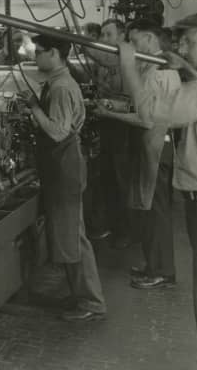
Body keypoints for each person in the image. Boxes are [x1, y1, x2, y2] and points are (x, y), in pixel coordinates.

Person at [117, 12, 197, 370]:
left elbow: (149, 112)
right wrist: (186, 67)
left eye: (190, 42)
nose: (181, 47)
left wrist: (128, 65)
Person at [21, 35, 106, 322]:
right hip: (62, 167)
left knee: (74, 237)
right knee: (70, 234)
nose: (36, 57)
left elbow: (57, 132)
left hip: (64, 168)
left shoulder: (60, 87)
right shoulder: (58, 83)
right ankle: (81, 294)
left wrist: (33, 107)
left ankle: (91, 301)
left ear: (55, 54)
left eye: (40, 52)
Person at [94, 23, 181, 289]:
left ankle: (161, 271)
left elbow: (146, 120)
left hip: (156, 149)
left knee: (156, 213)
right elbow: (144, 108)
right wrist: (118, 105)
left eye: (133, 40)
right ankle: (155, 265)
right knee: (150, 211)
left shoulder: (159, 73)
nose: (130, 47)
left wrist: (110, 114)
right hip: (152, 147)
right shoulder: (155, 69)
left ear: (149, 36)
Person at [81, 19, 132, 247]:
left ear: (122, 36)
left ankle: (125, 231)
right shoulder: (105, 61)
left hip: (123, 127)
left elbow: (133, 105)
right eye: (101, 35)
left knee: (122, 180)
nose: (104, 40)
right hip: (106, 125)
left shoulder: (125, 58)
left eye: (108, 35)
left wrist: (79, 41)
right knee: (107, 178)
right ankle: (110, 225)